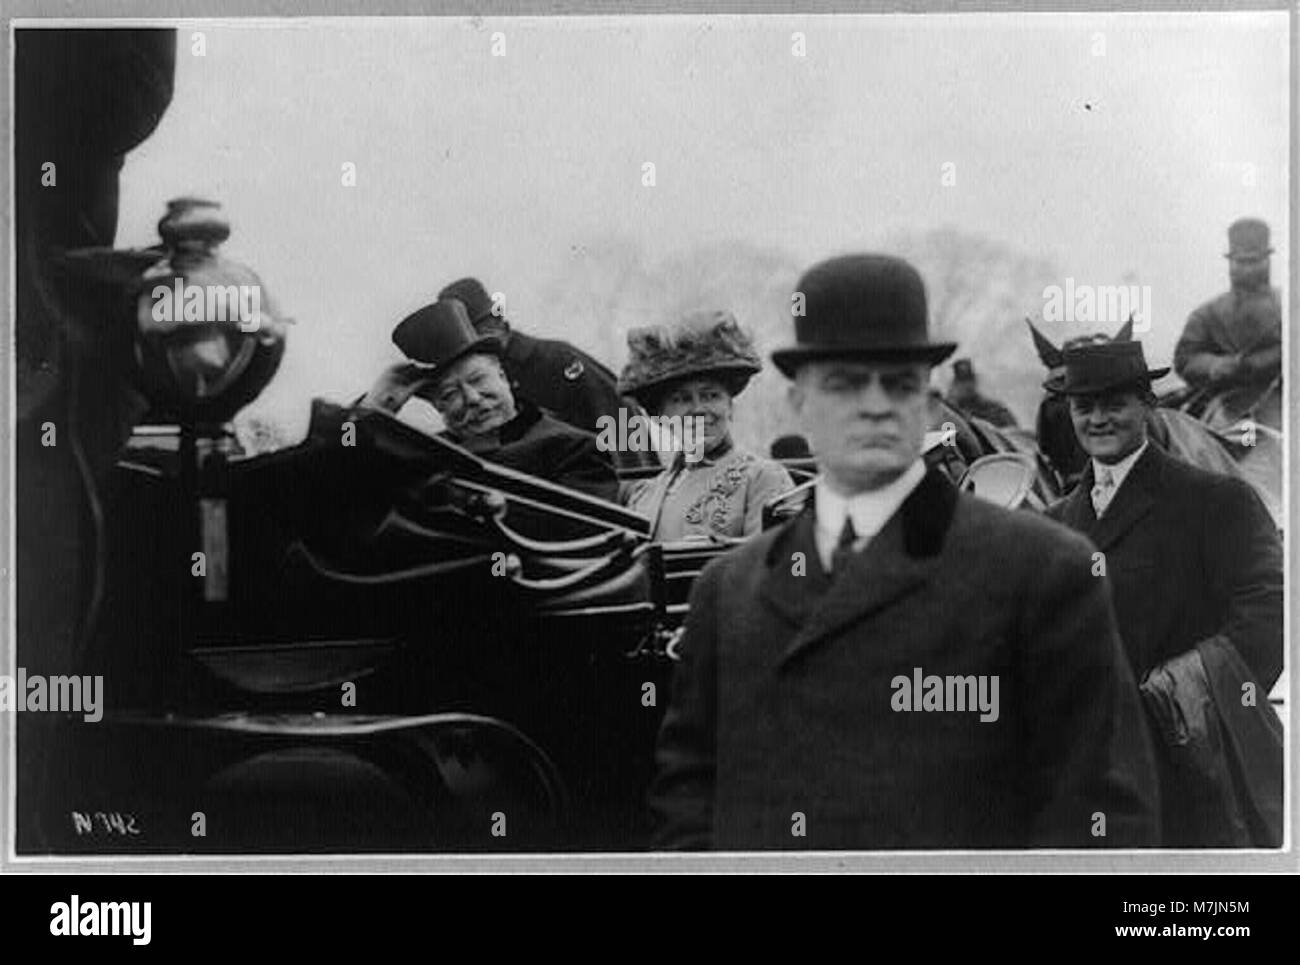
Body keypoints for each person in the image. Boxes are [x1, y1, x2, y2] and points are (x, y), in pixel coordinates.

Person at [649, 254, 1158, 850]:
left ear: (927, 402)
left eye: (898, 383)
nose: (874, 405)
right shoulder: (729, 592)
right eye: (843, 383)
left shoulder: (1045, 575)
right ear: (798, 405)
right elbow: (685, 808)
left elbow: (1104, 821)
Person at [1045, 339, 1283, 846]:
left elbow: (1271, 617)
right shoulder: (1054, 524)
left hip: (1194, 776)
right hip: (1092, 780)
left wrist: (1177, 701)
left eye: (1115, 403)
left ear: (1148, 404)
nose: (1098, 419)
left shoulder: (1217, 501)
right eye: (1084, 407)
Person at [388, 297, 618, 501]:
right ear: (439, 407)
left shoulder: (572, 448)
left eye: (478, 379)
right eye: (450, 394)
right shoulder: (423, 460)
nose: (473, 398)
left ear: (503, 376)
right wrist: (380, 404)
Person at [438, 277, 659, 471]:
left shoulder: (555, 360)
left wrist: (635, 484)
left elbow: (618, 416)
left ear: (500, 324)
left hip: (595, 481)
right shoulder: (477, 384)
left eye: (480, 334)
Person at [617, 310, 792, 541]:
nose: (699, 409)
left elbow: (766, 568)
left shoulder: (762, 479)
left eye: (711, 396)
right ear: (661, 416)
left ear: (730, 406)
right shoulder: (643, 495)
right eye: (682, 399)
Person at [1174, 218, 1282, 427]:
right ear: (1230, 262)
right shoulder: (1208, 314)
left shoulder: (1289, 308)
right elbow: (1185, 358)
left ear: (1268, 260)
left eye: (1255, 261)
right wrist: (1215, 365)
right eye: (1242, 262)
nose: (1248, 269)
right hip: (1231, 403)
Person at [945, 357, 1017, 427]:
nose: (967, 386)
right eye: (961, 382)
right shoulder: (949, 411)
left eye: (969, 380)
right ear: (954, 384)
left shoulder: (995, 410)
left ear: (974, 381)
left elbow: (1013, 432)